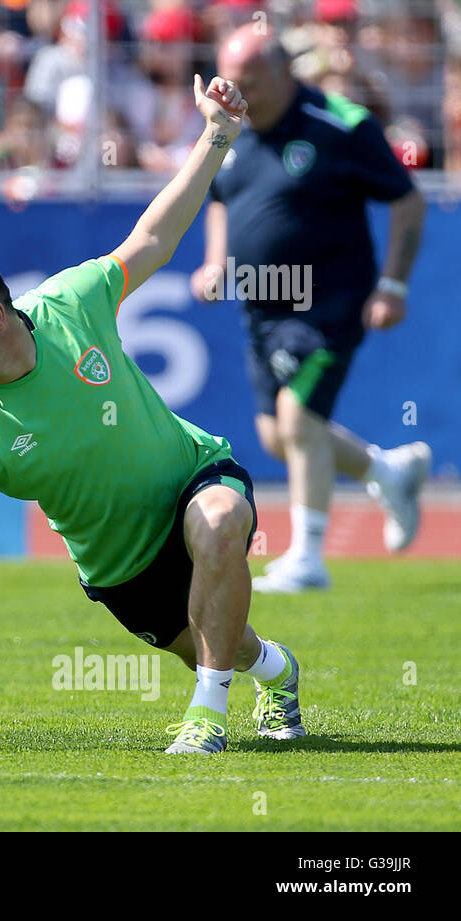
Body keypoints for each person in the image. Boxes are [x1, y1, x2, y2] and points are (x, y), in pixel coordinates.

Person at [0, 74, 305, 756]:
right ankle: (278, 669)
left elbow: (154, 235)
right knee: (228, 642)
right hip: (122, 569)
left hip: (194, 476)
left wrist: (218, 134)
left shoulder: (71, 302)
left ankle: (206, 718)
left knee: (219, 521)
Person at [191, 26, 430, 594]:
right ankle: (387, 470)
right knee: (279, 436)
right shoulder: (230, 127)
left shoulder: (341, 125)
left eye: (249, 83)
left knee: (299, 421)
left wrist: (393, 285)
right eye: (230, 83)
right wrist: (215, 261)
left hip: (329, 302)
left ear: (283, 73)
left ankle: (308, 559)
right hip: (259, 308)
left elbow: (408, 201)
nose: (238, 94)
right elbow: (219, 200)